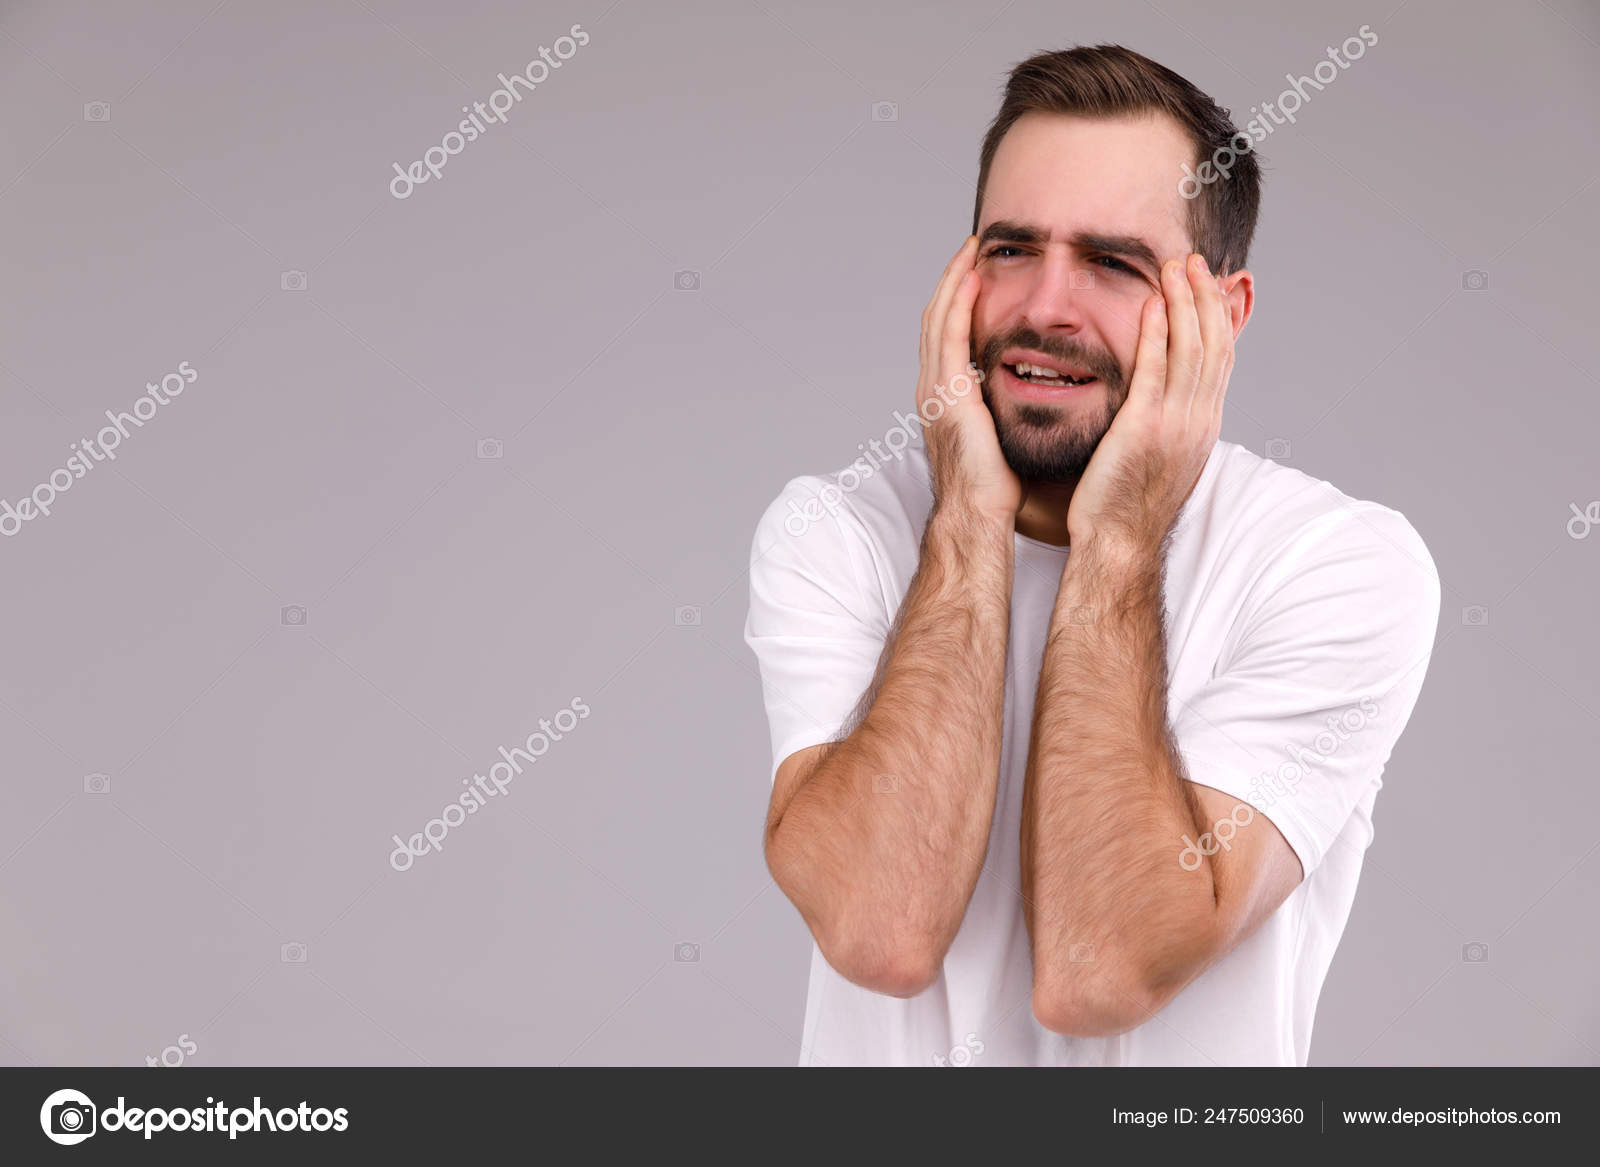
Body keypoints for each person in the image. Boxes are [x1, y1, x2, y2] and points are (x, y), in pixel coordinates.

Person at [743, 44, 1440, 1066]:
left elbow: (1098, 971)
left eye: (1112, 264)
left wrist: (1115, 543)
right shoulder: (833, 533)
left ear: (1220, 318)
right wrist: (970, 522)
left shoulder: (1333, 565)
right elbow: (879, 935)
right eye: (1010, 250)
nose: (1044, 310)